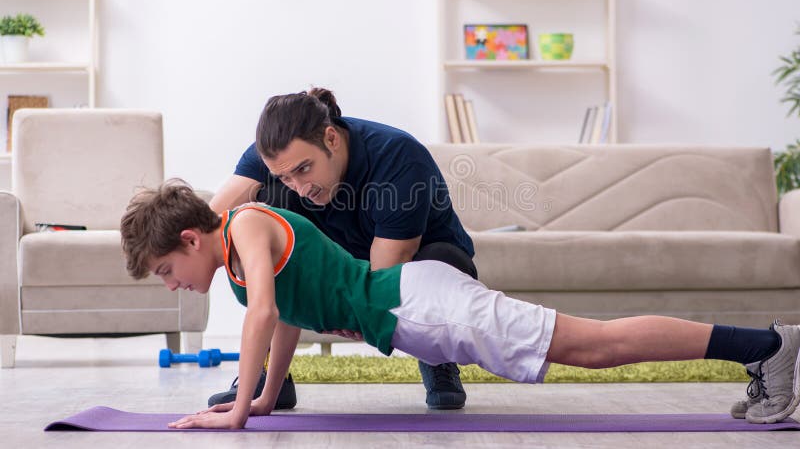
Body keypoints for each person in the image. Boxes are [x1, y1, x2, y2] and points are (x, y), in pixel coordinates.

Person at [120, 181, 800, 430]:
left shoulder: (243, 224)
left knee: (595, 347)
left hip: (422, 307)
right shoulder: (240, 258)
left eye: (166, 270)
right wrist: (265, 396)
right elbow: (290, 316)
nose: (172, 282)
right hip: (417, 316)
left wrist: (237, 413)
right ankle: (761, 351)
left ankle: (766, 347)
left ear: (188, 238)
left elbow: (265, 316)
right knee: (592, 347)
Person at [207, 88, 477, 410]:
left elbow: (385, 277)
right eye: (287, 175)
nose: (301, 187)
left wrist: (353, 315)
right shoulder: (276, 157)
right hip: (342, 261)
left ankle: (438, 360)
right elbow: (212, 227)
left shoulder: (398, 157)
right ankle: (270, 379)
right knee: (259, 216)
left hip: (421, 262)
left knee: (438, 263)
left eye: (305, 169)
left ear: (331, 139)